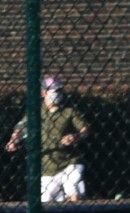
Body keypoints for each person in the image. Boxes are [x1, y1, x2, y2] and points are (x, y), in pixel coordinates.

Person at [5, 74, 89, 203]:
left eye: (60, 90)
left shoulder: (69, 111)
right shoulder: (35, 113)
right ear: (43, 92)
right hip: (47, 167)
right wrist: (13, 141)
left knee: (72, 187)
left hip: (69, 162)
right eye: (54, 91)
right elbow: (20, 129)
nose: (58, 94)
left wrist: (75, 136)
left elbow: (84, 130)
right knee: (46, 200)